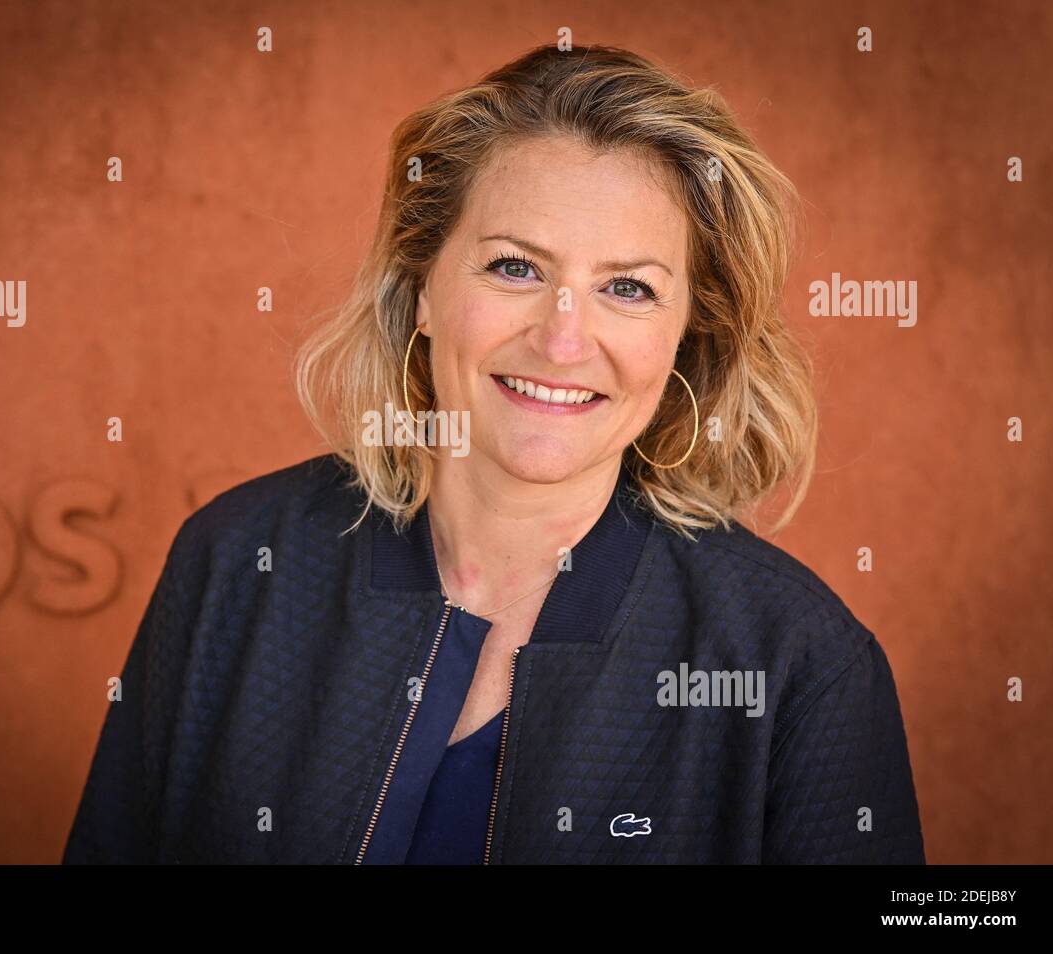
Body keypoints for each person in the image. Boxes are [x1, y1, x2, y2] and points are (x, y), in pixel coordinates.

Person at [63, 43, 925, 864]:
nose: (561, 339)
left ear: (685, 338)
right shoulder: (236, 563)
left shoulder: (799, 664)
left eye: (628, 288)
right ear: (422, 286)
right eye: (514, 268)